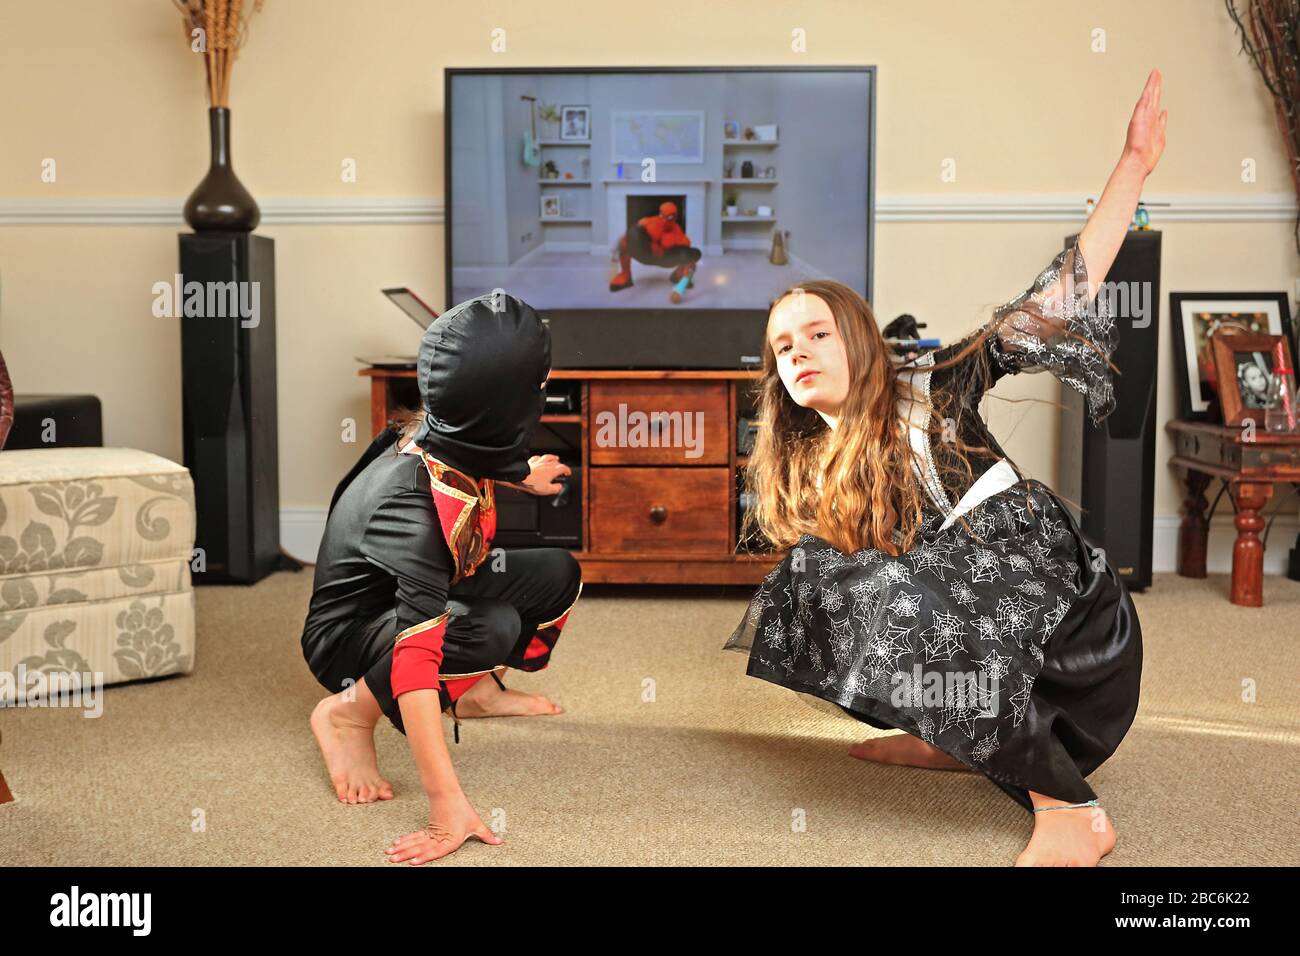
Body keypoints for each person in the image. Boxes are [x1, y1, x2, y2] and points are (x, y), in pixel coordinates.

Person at [727, 69, 1167, 866]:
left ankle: (1072, 809)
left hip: (1076, 655)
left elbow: (1052, 303)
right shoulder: (814, 458)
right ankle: (955, 738)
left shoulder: (933, 391)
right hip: (1003, 669)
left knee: (882, 590)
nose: (799, 354)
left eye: (817, 333)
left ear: (858, 337)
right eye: (783, 349)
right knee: (814, 583)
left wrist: (1132, 165)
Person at [300, 292, 581, 864]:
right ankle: (349, 713)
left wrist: (521, 475)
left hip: (409, 594)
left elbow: (476, 438)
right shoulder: (412, 506)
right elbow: (416, 654)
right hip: (347, 635)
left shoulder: (445, 430)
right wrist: (444, 804)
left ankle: (475, 693)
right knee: (486, 627)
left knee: (557, 572)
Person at [609, 201, 702, 303]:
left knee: (691, 255)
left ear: (675, 217)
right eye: (662, 215)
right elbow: (624, 239)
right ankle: (625, 275)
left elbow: (687, 249)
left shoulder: (677, 231)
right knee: (629, 237)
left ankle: (678, 277)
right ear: (660, 213)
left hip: (665, 258)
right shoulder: (647, 223)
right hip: (646, 254)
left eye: (670, 217)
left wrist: (679, 289)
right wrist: (614, 253)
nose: (665, 219)